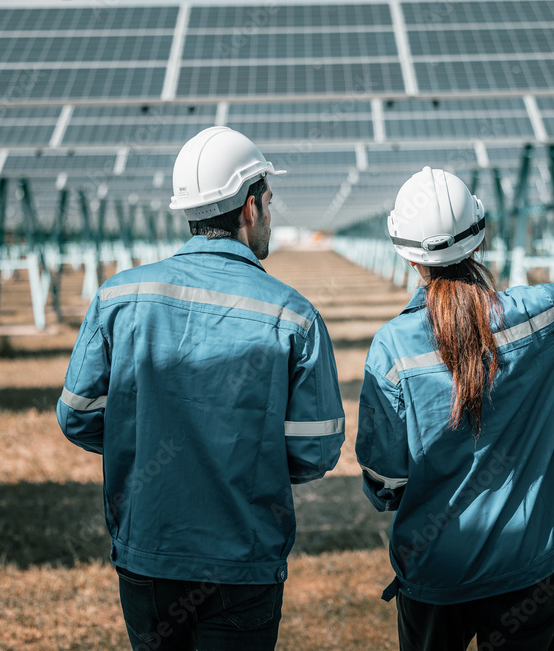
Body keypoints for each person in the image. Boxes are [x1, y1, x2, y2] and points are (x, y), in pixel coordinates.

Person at [356, 154, 554, 650]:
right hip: (527, 568)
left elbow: (385, 478)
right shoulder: (544, 318)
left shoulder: (392, 348)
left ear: (407, 255)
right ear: (482, 236)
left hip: (437, 574)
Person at [57, 126, 345, 651]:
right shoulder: (293, 315)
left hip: (147, 552)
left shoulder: (119, 296)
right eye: (269, 201)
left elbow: (77, 414)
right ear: (250, 208)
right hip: (244, 562)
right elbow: (314, 450)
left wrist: (146, 436)